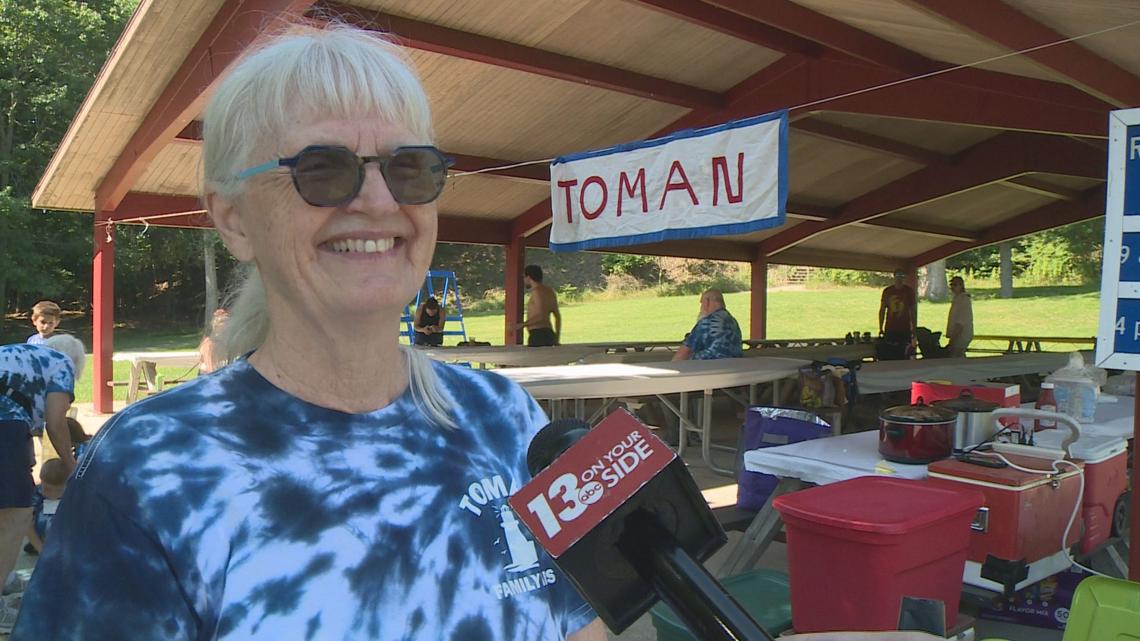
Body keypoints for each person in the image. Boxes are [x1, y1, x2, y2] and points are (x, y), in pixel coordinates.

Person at [12, 25, 602, 641]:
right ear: (234, 220)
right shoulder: (151, 466)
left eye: (409, 168)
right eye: (321, 170)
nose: (379, 201)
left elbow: (578, 627)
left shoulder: (507, 418)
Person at [0, 334, 83, 634]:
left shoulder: (17, 355)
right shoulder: (62, 363)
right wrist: (74, 467)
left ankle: (7, 578)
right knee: (17, 513)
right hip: (6, 423)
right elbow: (56, 422)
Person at [672, 289, 743, 361]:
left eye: (701, 303)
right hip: (735, 364)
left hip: (709, 364)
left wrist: (672, 365)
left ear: (707, 302)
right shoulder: (732, 321)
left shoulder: (706, 322)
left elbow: (684, 352)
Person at [25, 458, 68, 555]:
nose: (52, 494)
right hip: (40, 537)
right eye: (48, 489)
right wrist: (40, 548)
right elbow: (27, 523)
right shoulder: (36, 495)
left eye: (58, 490)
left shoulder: (71, 496)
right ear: (41, 481)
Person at [516, 264, 561, 347]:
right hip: (549, 334)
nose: (524, 280)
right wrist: (557, 338)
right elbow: (557, 316)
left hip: (537, 335)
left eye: (524, 277)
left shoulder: (537, 292)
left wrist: (522, 325)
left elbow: (541, 316)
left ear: (528, 277)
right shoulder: (549, 291)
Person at [878, 269, 916, 347]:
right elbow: (882, 310)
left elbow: (912, 311)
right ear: (894, 277)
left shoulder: (909, 291)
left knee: (905, 349)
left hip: (905, 328)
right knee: (890, 349)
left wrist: (914, 327)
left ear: (904, 278)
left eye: (902, 276)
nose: (899, 278)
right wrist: (881, 327)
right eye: (898, 276)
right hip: (890, 327)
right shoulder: (887, 291)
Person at [946, 275, 974, 358]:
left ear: (961, 285)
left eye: (955, 285)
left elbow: (960, 322)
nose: (952, 287)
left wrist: (953, 338)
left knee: (955, 356)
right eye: (951, 285)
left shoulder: (963, 300)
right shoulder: (957, 299)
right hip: (958, 333)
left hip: (961, 334)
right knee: (958, 356)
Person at [197, 307, 230, 373]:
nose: (226, 324)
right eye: (222, 321)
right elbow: (209, 365)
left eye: (227, 321)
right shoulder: (209, 342)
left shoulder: (228, 341)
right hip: (207, 375)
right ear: (216, 325)